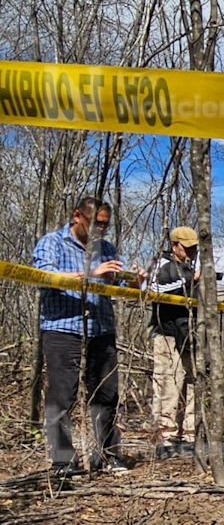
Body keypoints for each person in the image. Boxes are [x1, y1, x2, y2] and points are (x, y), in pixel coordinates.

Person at [33, 196, 144, 475]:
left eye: (106, 225)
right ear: (77, 216)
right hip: (62, 327)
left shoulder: (106, 248)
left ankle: (106, 456)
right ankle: (63, 462)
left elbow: (116, 282)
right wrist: (90, 272)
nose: (101, 230)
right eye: (97, 223)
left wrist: (134, 280)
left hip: (101, 328)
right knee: (61, 395)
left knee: (106, 394)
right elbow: (43, 276)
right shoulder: (52, 242)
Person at [147, 226, 200, 457]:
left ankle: (188, 434)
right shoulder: (162, 265)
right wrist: (188, 281)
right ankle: (165, 437)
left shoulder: (192, 268)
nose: (191, 252)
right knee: (168, 385)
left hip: (189, 335)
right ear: (175, 246)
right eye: (187, 248)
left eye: (194, 248)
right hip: (167, 335)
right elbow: (153, 288)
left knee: (190, 385)